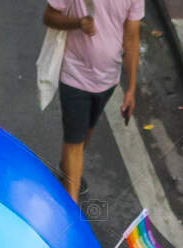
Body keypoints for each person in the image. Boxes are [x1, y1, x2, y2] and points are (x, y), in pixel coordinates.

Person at [43, 1, 143, 204]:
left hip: (108, 80)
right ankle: (71, 207)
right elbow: (49, 17)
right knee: (75, 142)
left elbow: (132, 39)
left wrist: (131, 89)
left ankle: (66, 169)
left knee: (84, 133)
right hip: (74, 75)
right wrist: (78, 23)